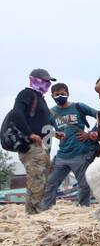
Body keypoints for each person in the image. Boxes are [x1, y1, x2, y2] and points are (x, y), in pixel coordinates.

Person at [38, 82, 99, 209]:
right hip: (62, 155)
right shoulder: (51, 113)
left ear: (68, 94)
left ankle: (83, 209)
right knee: (50, 183)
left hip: (81, 154)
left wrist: (91, 133)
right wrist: (55, 135)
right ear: (52, 96)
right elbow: (47, 133)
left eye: (63, 94)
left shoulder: (79, 107)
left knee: (84, 185)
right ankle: (46, 210)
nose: (60, 96)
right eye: (57, 94)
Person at [12, 68, 56, 214]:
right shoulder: (26, 94)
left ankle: (35, 213)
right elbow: (17, 114)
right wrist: (30, 134)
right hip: (30, 145)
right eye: (44, 80)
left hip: (39, 145)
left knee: (42, 180)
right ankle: (33, 215)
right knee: (36, 180)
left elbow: (41, 121)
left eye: (48, 81)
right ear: (34, 79)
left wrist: (55, 133)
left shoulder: (39, 97)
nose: (47, 83)